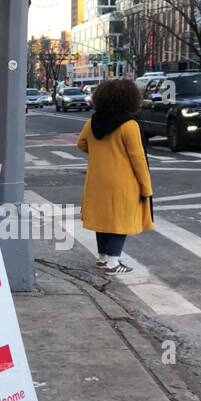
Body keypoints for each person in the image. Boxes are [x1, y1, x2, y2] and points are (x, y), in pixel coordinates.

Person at [76, 78, 154, 276]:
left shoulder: (92, 122)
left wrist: (99, 154)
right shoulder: (129, 126)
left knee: (102, 219)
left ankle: (102, 258)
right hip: (122, 182)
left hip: (96, 180)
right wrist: (146, 187)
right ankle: (113, 262)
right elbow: (138, 159)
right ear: (130, 99)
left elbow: (81, 144)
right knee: (120, 221)